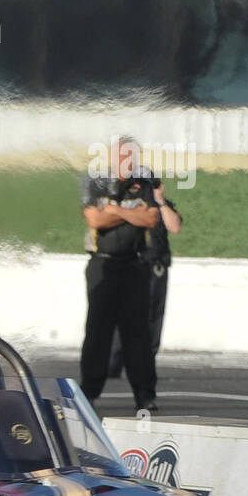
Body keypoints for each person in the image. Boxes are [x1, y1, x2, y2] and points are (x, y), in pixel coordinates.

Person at [79, 137, 159, 412]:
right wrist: (129, 212)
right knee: (97, 330)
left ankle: (145, 395)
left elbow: (150, 218)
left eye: (131, 155)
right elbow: (95, 220)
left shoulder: (144, 183)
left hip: (135, 266)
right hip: (103, 264)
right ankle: (88, 392)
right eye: (122, 155)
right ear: (113, 157)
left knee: (137, 333)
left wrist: (115, 210)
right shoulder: (96, 181)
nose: (127, 160)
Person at [107, 168, 182, 379]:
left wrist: (160, 201)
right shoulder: (126, 204)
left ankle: (146, 366)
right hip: (131, 267)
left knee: (152, 321)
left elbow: (174, 227)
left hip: (156, 269)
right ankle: (113, 364)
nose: (142, 188)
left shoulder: (161, 206)